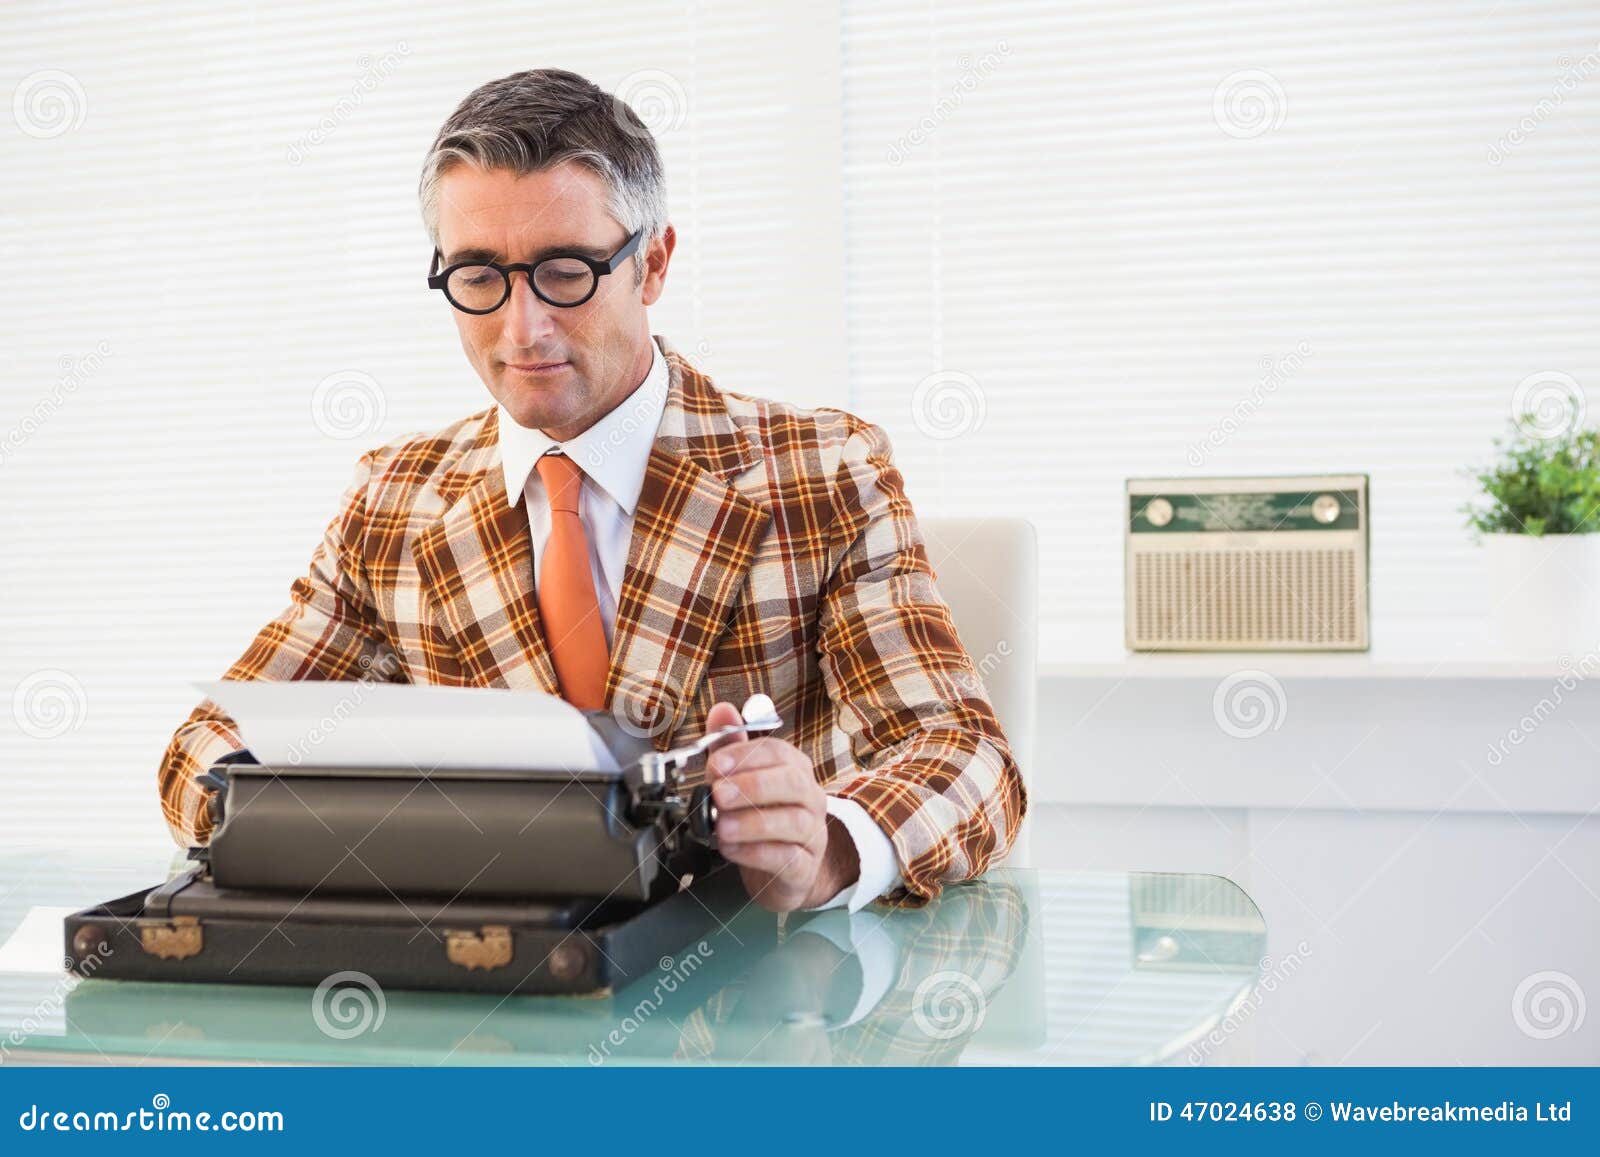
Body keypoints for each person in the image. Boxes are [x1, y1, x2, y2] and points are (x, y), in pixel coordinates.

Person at [156, 67, 1024, 913]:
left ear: (652, 265)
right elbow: (205, 749)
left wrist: (828, 848)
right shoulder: (393, 499)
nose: (520, 327)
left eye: (565, 271)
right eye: (479, 276)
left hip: (748, 1006)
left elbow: (963, 754)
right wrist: (360, 832)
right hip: (490, 1007)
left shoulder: (822, 468)